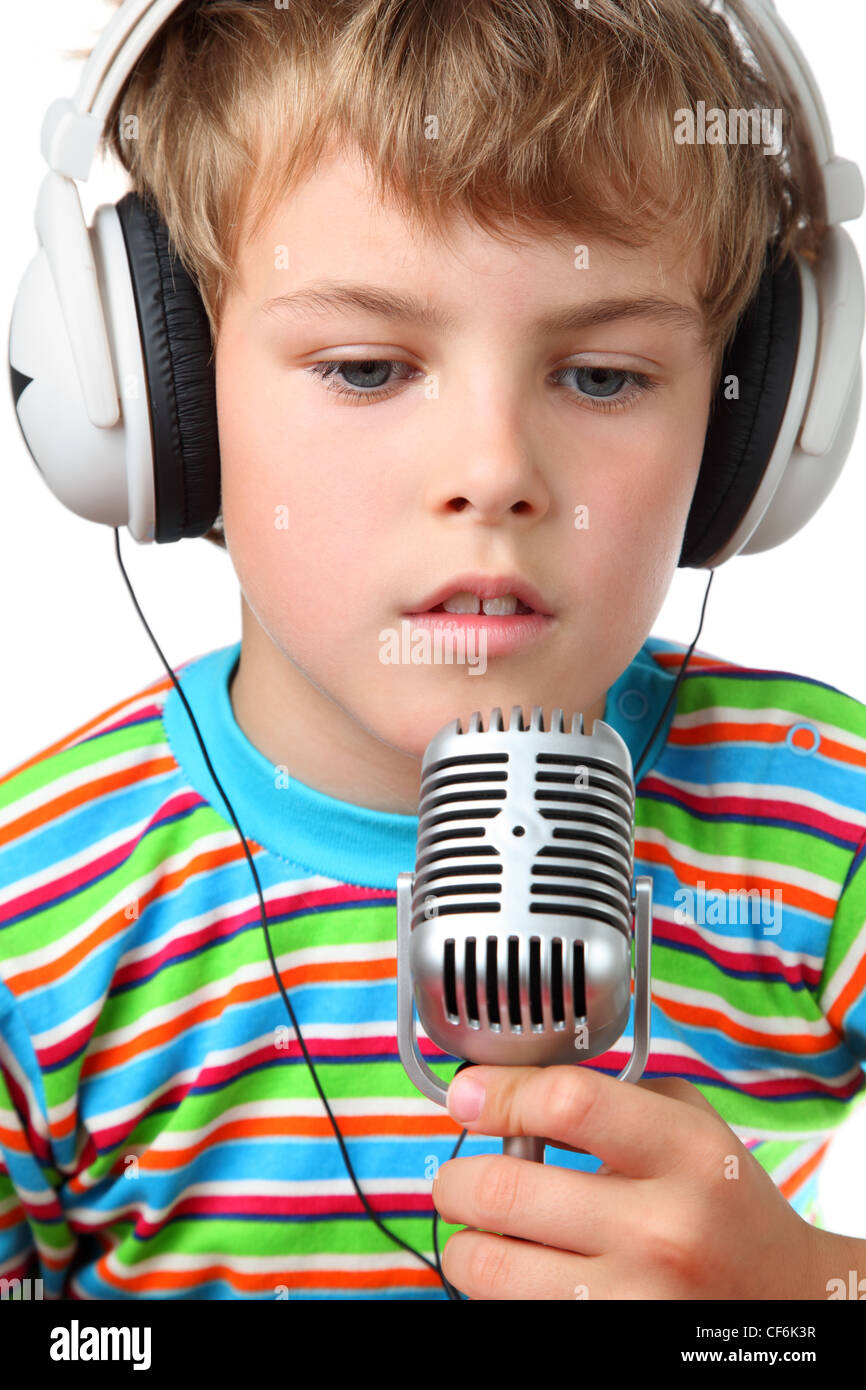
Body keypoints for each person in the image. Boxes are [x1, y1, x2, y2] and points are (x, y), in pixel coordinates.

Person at [2, 0, 865, 1301]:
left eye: (601, 376)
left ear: (755, 425)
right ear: (149, 399)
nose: (492, 473)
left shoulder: (821, 820)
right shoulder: (37, 923)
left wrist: (808, 1297)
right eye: (363, 367)